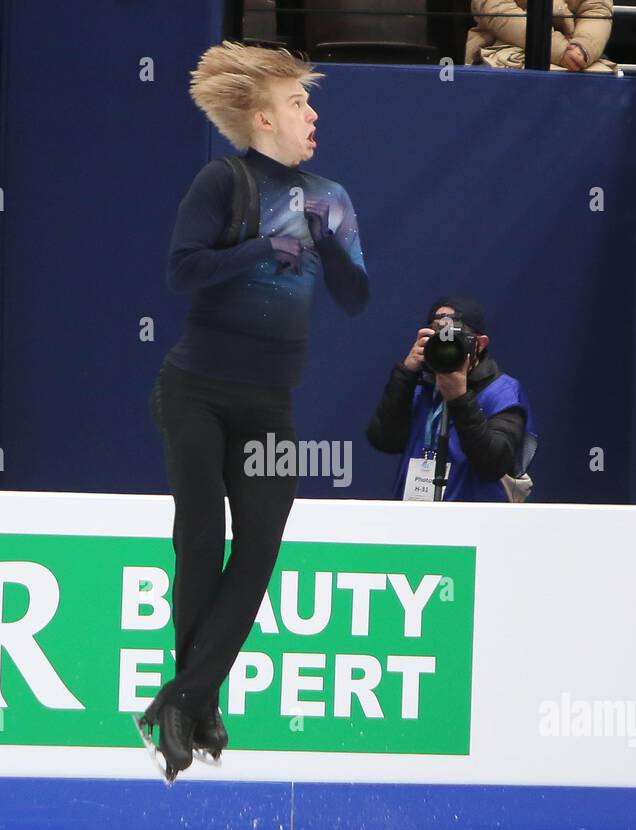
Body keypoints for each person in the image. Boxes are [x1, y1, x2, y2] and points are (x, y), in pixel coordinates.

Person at [141, 42, 370, 782]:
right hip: (197, 392)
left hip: (269, 407)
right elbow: (183, 270)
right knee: (202, 540)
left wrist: (325, 242)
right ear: (264, 116)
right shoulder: (224, 179)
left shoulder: (330, 195)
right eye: (300, 102)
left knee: (263, 545)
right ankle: (193, 707)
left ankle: (183, 700)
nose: (314, 113)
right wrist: (262, 248)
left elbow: (356, 296)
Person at [366, 295, 533, 502]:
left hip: (474, 523)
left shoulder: (502, 391)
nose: (446, 343)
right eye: (438, 335)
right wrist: (406, 374)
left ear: (480, 344)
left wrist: (460, 399)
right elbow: (383, 440)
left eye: (455, 337)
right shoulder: (420, 384)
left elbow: (494, 464)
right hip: (413, 519)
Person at [466, 0, 619, 73]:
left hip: (574, 52)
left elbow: (597, 10)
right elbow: (494, 8)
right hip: (498, 48)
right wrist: (559, 50)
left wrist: (583, 48)